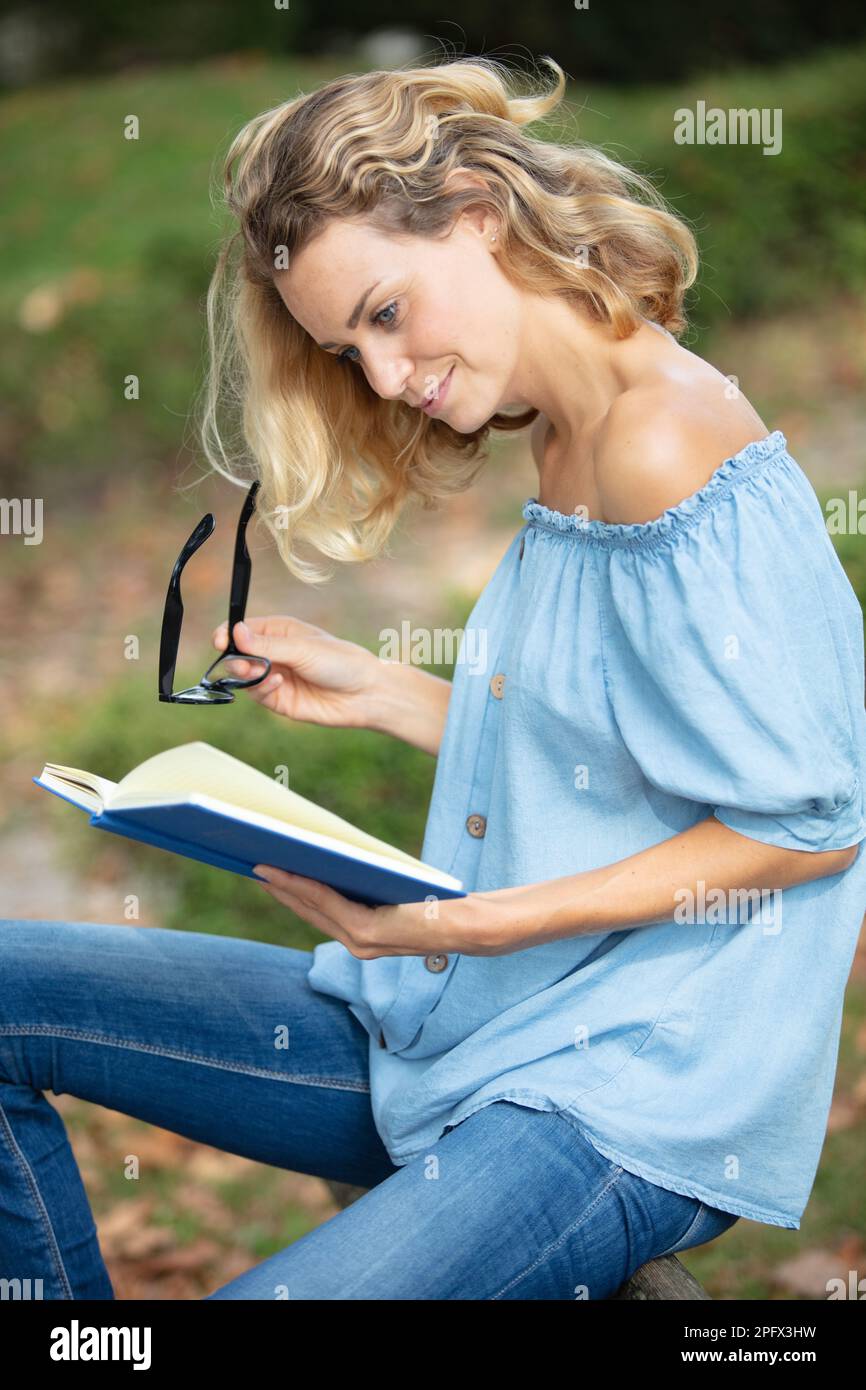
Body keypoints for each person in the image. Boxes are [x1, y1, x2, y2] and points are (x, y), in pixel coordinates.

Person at [2, 55, 865, 1302]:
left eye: (386, 313)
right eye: (351, 350)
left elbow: (806, 824)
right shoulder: (566, 434)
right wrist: (383, 690)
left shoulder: (661, 438)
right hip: (472, 1019)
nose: (388, 376)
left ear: (476, 209)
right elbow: (628, 750)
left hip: (619, 1090)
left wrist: (467, 921)